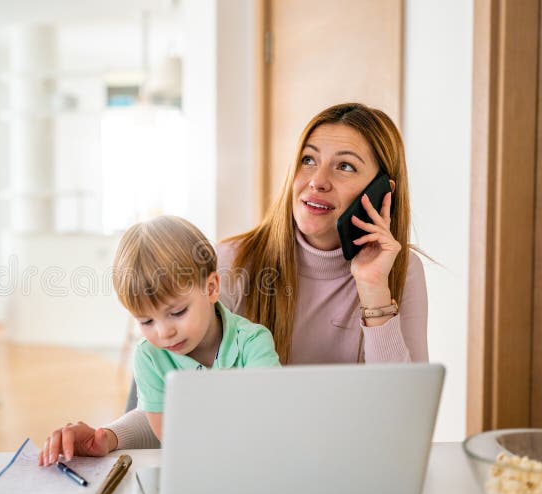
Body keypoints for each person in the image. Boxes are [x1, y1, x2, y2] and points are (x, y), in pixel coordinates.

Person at [38, 102, 428, 462]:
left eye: (344, 167)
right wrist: (108, 436)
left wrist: (373, 287)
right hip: (254, 468)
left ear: (380, 192)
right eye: (308, 160)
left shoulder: (399, 272)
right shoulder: (232, 263)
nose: (316, 181)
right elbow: (178, 407)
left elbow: (405, 418)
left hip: (349, 465)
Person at [38, 215, 281, 466]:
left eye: (177, 313)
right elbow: (168, 437)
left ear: (210, 288)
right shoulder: (149, 355)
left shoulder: (253, 343)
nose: (164, 333)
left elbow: (268, 420)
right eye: (146, 322)